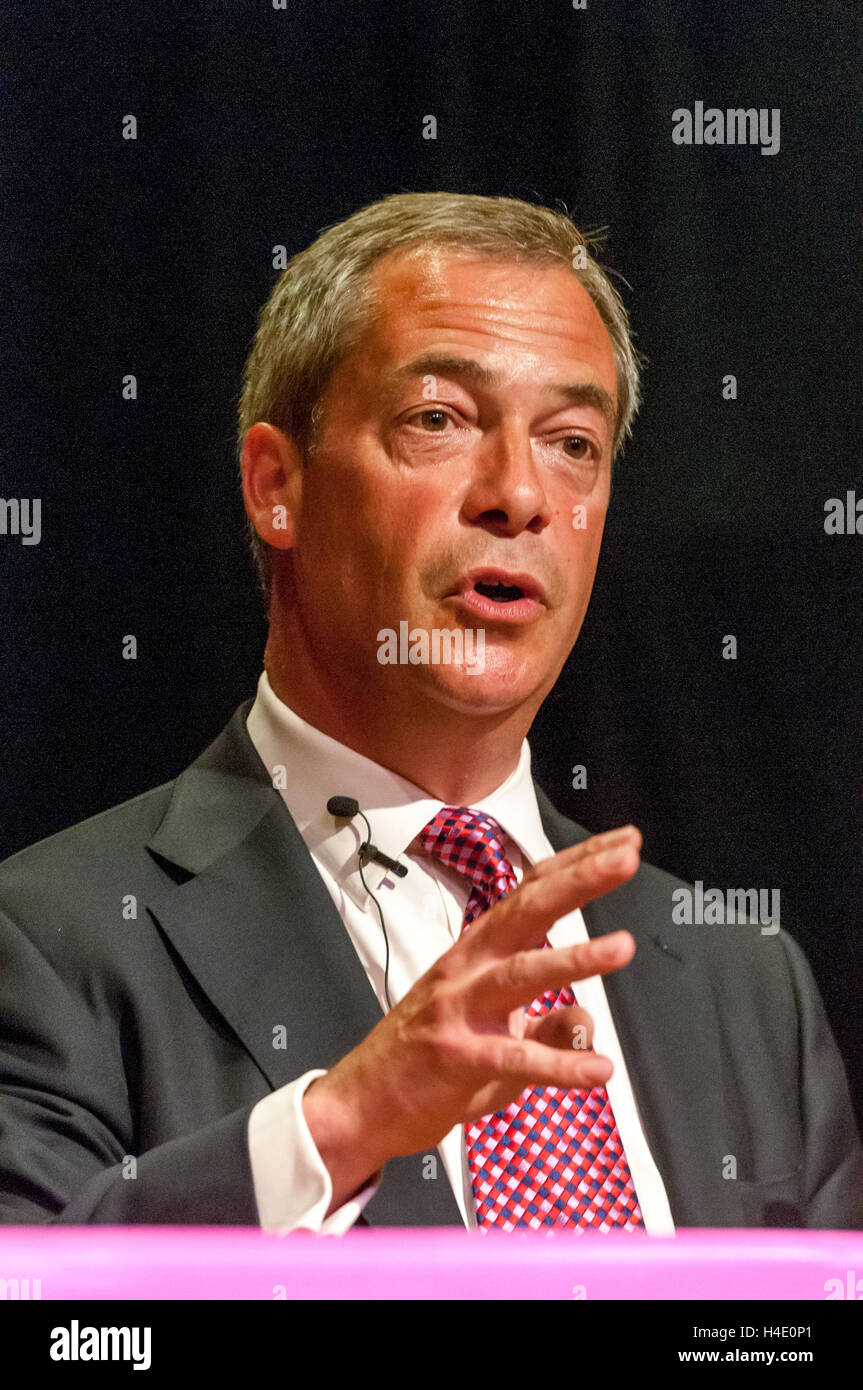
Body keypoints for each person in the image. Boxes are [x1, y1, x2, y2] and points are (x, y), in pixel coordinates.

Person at [1, 193, 860, 1233]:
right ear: (277, 484)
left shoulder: (740, 981)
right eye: (438, 420)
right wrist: (340, 1126)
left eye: (571, 442)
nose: (518, 494)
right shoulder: (50, 938)